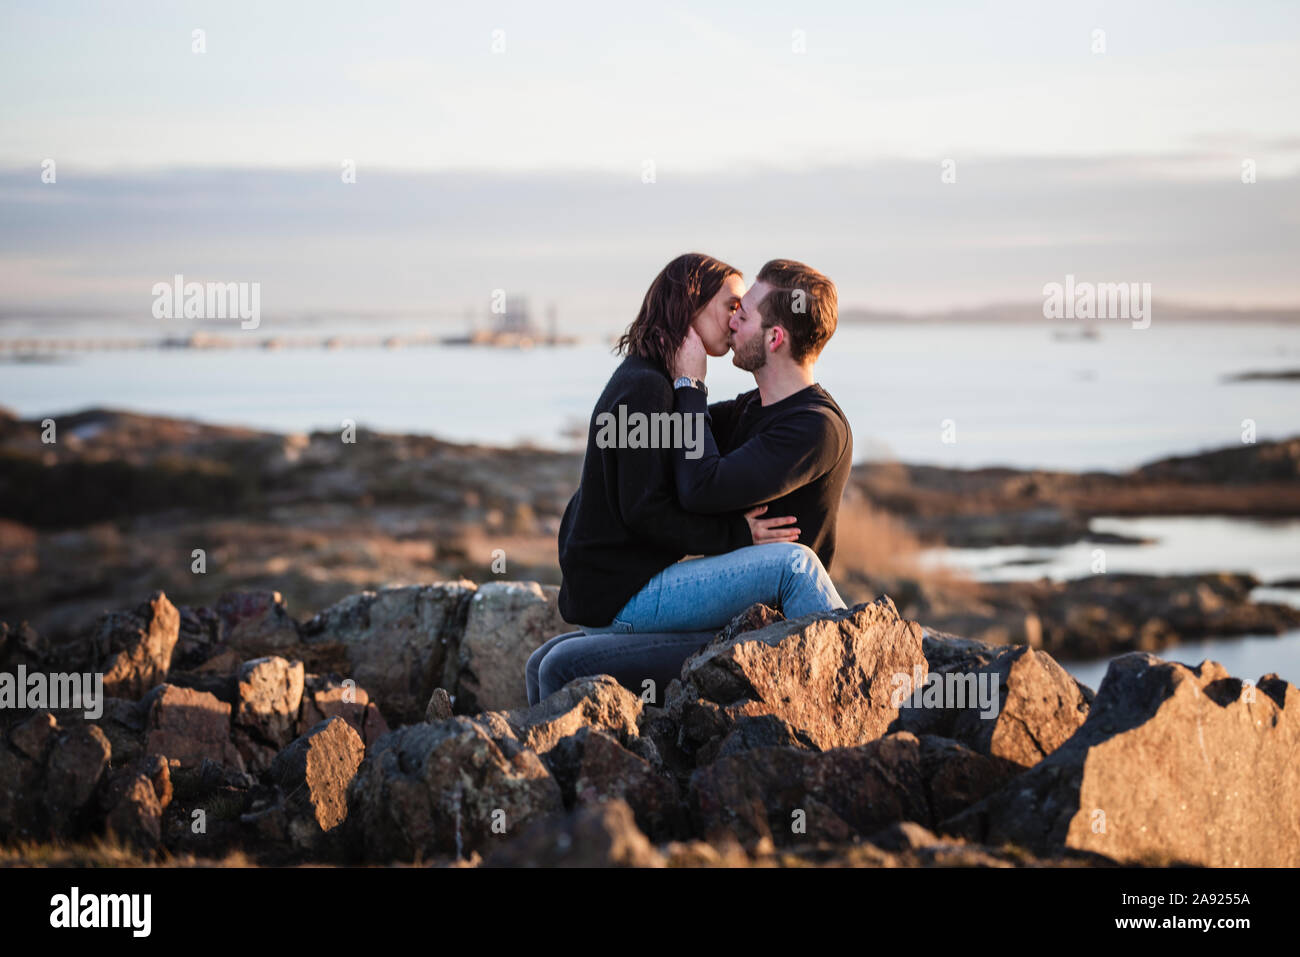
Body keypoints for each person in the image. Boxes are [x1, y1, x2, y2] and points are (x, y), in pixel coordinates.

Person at [525, 254, 849, 706]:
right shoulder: (735, 405)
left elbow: (700, 482)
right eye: (731, 307)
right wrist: (686, 389)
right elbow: (671, 467)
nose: (736, 321)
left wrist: (690, 388)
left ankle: (852, 682)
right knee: (550, 660)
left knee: (793, 563)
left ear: (775, 337)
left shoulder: (815, 427)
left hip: (768, 621)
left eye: (745, 312)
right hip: (684, 602)